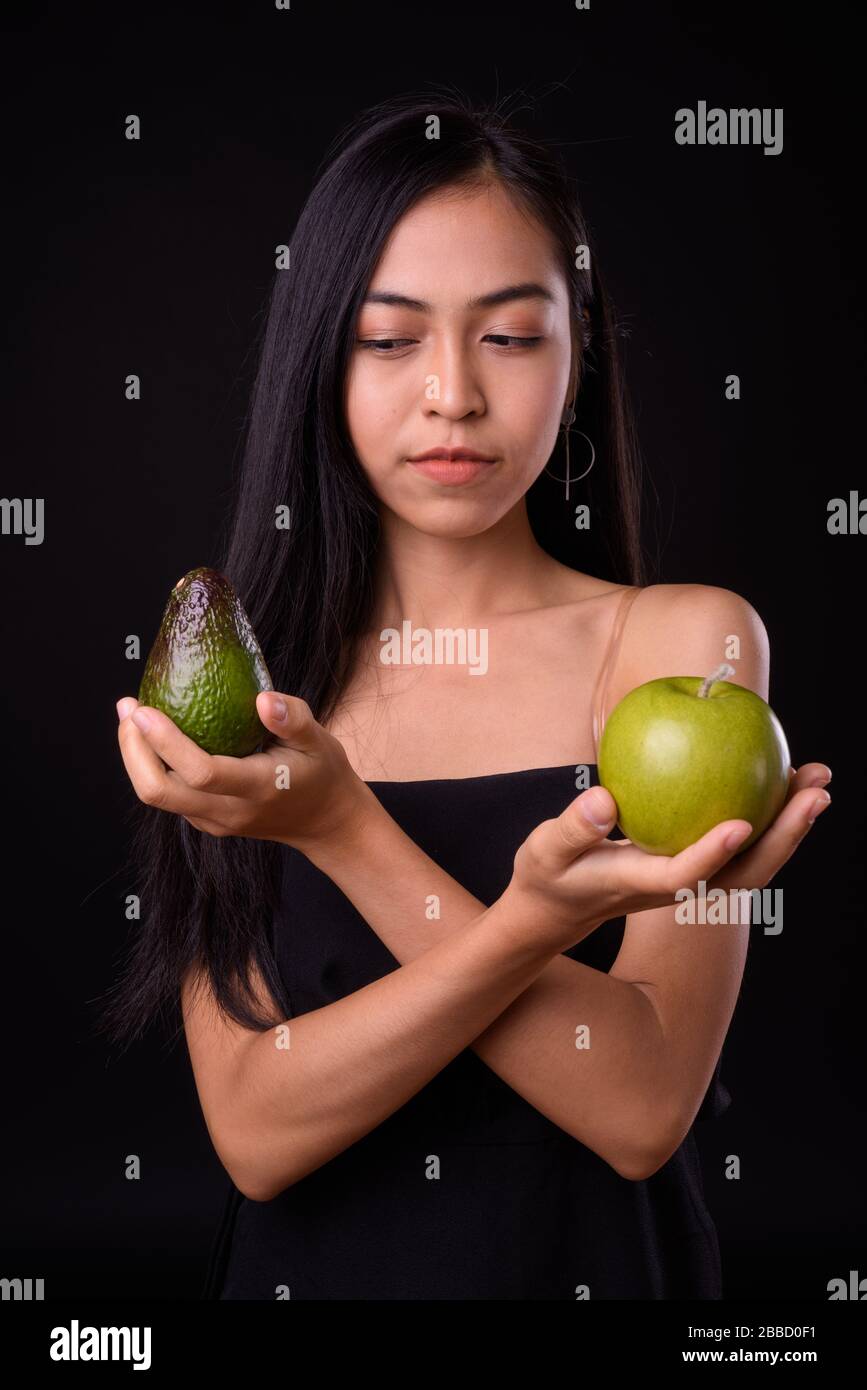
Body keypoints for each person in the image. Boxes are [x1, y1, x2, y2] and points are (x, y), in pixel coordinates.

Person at [106, 89, 831, 1299]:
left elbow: (642, 1106)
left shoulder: (684, 648)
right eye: (390, 340)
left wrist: (346, 831)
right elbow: (258, 1134)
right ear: (320, 357)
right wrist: (529, 924)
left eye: (508, 334)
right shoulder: (239, 686)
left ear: (579, 341)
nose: (453, 393)